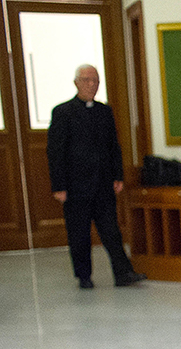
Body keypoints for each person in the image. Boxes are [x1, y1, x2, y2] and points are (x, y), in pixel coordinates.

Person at [46, 65, 146, 289]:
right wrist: (59, 186)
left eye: (95, 81)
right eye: (87, 80)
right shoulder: (62, 112)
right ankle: (84, 276)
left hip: (102, 183)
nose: (91, 85)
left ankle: (123, 273)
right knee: (79, 233)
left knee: (112, 231)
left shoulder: (104, 111)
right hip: (74, 186)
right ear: (76, 83)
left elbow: (114, 146)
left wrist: (117, 175)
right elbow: (55, 152)